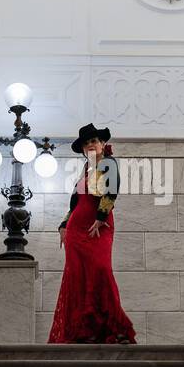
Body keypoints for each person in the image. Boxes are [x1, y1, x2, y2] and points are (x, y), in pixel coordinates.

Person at [47, 123, 138, 344]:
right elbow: (74, 204)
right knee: (78, 276)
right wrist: (63, 225)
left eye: (93, 141)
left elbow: (112, 190)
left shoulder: (108, 164)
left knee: (101, 269)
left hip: (100, 226)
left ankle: (114, 328)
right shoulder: (84, 172)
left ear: (102, 143)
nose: (90, 145)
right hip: (77, 232)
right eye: (86, 144)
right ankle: (85, 331)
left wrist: (100, 218)